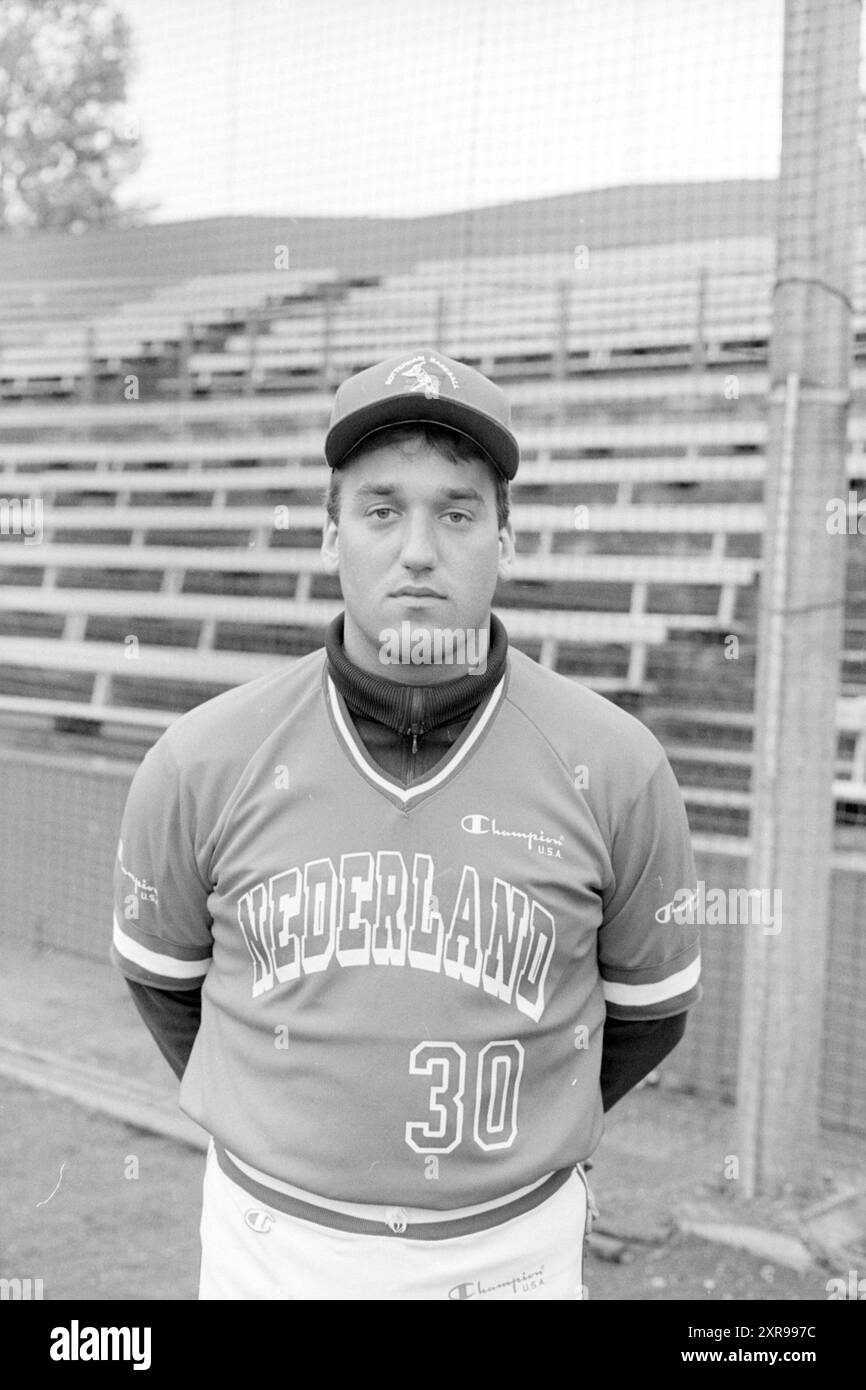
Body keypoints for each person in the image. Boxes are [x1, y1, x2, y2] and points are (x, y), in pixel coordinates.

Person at [111, 348, 701, 1301]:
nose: (418, 548)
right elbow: (166, 983)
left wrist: (519, 1135)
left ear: (506, 538)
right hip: (274, 1245)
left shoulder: (618, 766)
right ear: (329, 532)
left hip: (510, 1255)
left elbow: (650, 1014)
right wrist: (293, 1124)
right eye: (381, 510)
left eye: (458, 512)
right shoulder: (203, 759)